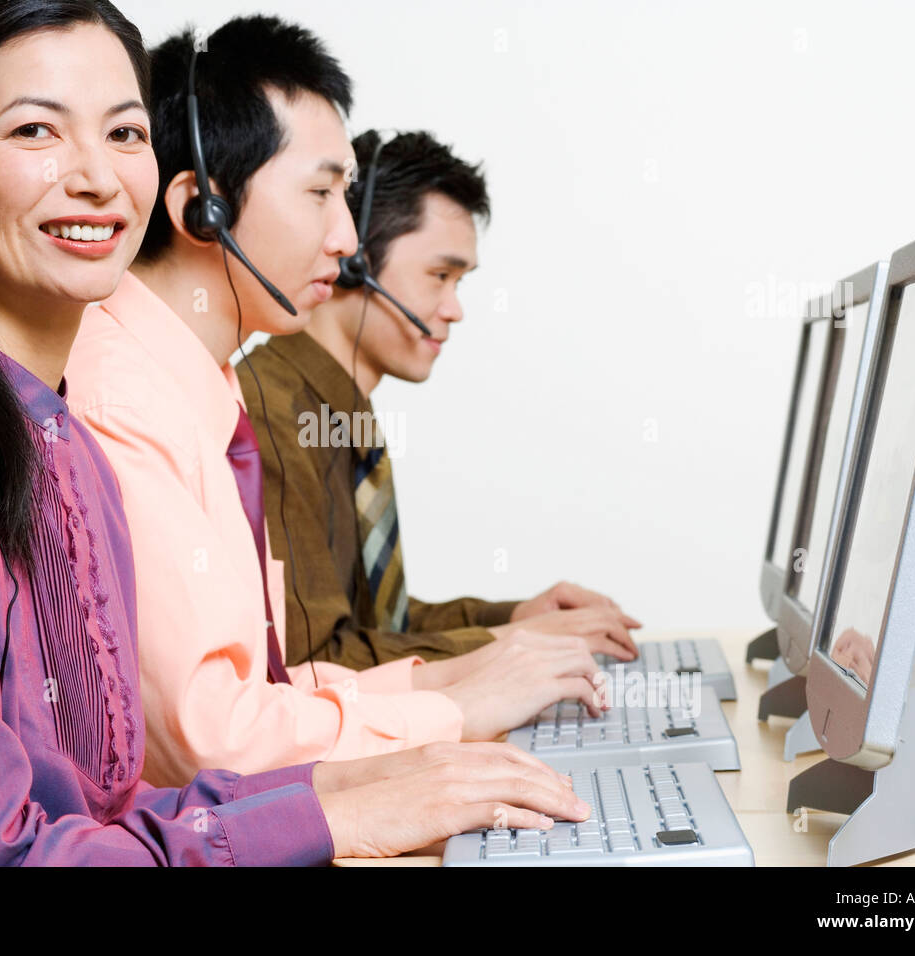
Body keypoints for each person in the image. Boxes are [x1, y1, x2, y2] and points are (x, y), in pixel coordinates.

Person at [0, 0, 586, 866]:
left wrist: (361, 789)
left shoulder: (60, 443)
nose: (98, 178)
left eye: (126, 134)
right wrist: (331, 818)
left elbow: (108, 800)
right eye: (36, 131)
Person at [65, 16, 606, 789]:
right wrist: (457, 705)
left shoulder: (199, 392)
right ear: (202, 209)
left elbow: (271, 688)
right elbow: (210, 741)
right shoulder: (125, 402)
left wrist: (460, 681)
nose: (348, 242)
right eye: (320, 193)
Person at [239, 130, 643, 673]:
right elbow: (315, 661)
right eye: (439, 276)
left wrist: (517, 618)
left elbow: (377, 630)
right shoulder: (274, 417)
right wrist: (513, 646)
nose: (454, 309)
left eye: (459, 282)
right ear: (354, 260)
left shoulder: (336, 414)